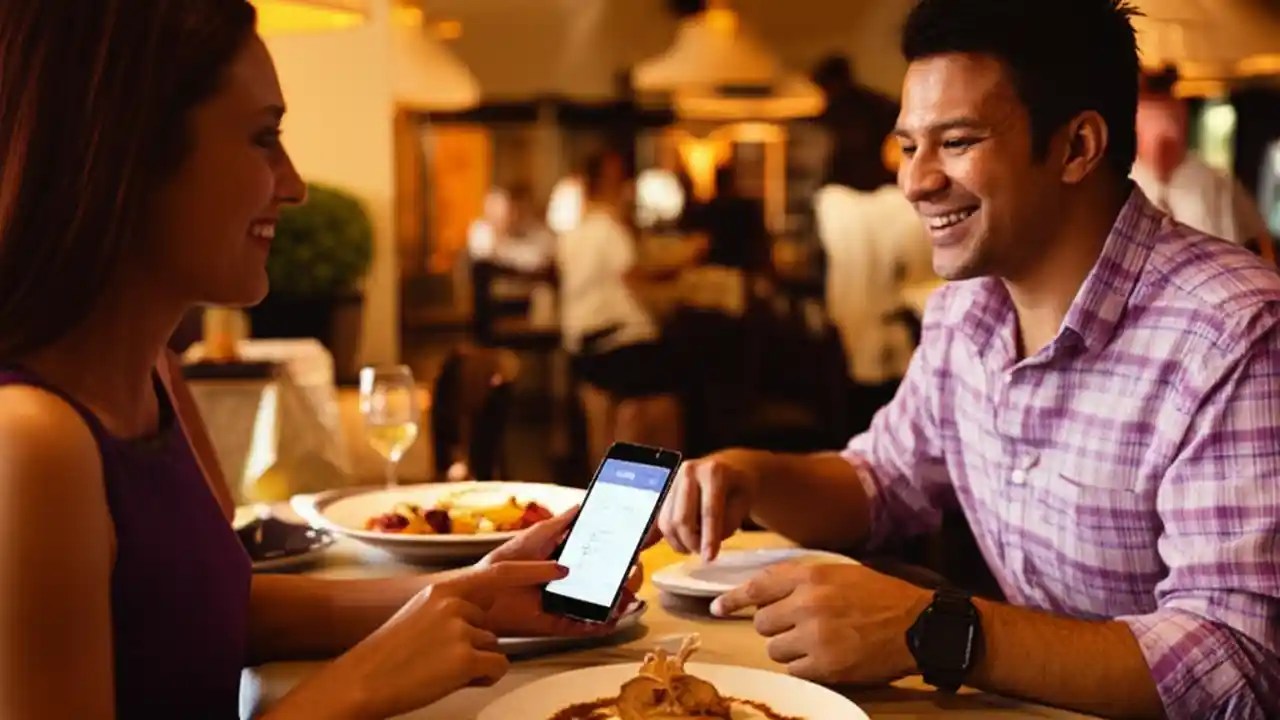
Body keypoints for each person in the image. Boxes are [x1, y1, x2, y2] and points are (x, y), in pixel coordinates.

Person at [0, 4, 634, 718]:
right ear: (124, 152)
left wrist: (466, 594)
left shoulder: (150, 378)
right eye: (264, 137)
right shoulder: (30, 439)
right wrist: (354, 689)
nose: (294, 183)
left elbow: (206, 607)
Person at [657, 1, 1280, 718]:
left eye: (955, 141)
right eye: (908, 146)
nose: (915, 181)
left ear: (1077, 146)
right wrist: (757, 474)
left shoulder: (1231, 331)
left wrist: (937, 631)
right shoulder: (965, 310)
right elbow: (882, 480)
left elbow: (1238, 663)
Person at [557, 150, 683, 458]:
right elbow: (636, 277)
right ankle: (669, 486)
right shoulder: (609, 228)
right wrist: (683, 263)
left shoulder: (574, 231)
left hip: (582, 346)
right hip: (617, 344)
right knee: (668, 403)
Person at [816, 135, 935, 435]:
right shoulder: (907, 210)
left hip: (841, 341)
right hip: (892, 341)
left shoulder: (827, 205)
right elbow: (921, 274)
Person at [1131, 65, 1276, 264]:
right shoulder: (1123, 184)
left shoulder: (1216, 183)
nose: (1163, 133)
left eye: (1170, 121)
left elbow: (1260, 236)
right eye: (1149, 125)